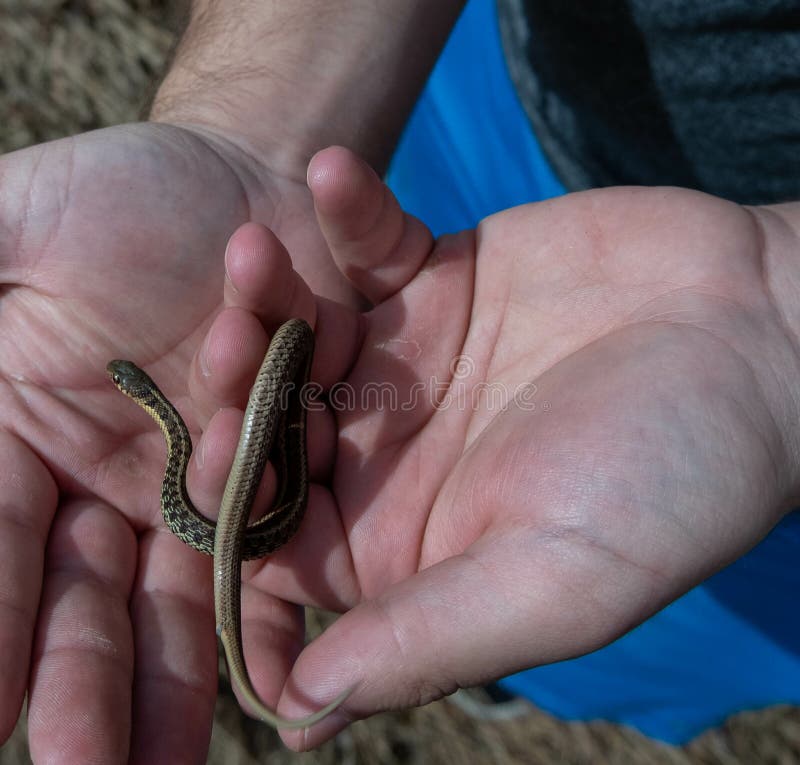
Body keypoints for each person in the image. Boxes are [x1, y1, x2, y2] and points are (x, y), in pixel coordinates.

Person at [0, 1, 797, 762]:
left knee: (638, 616)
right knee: (478, 548)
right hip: (460, 190)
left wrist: (778, 309)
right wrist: (257, 137)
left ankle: (534, 669)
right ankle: (517, 666)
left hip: (746, 404)